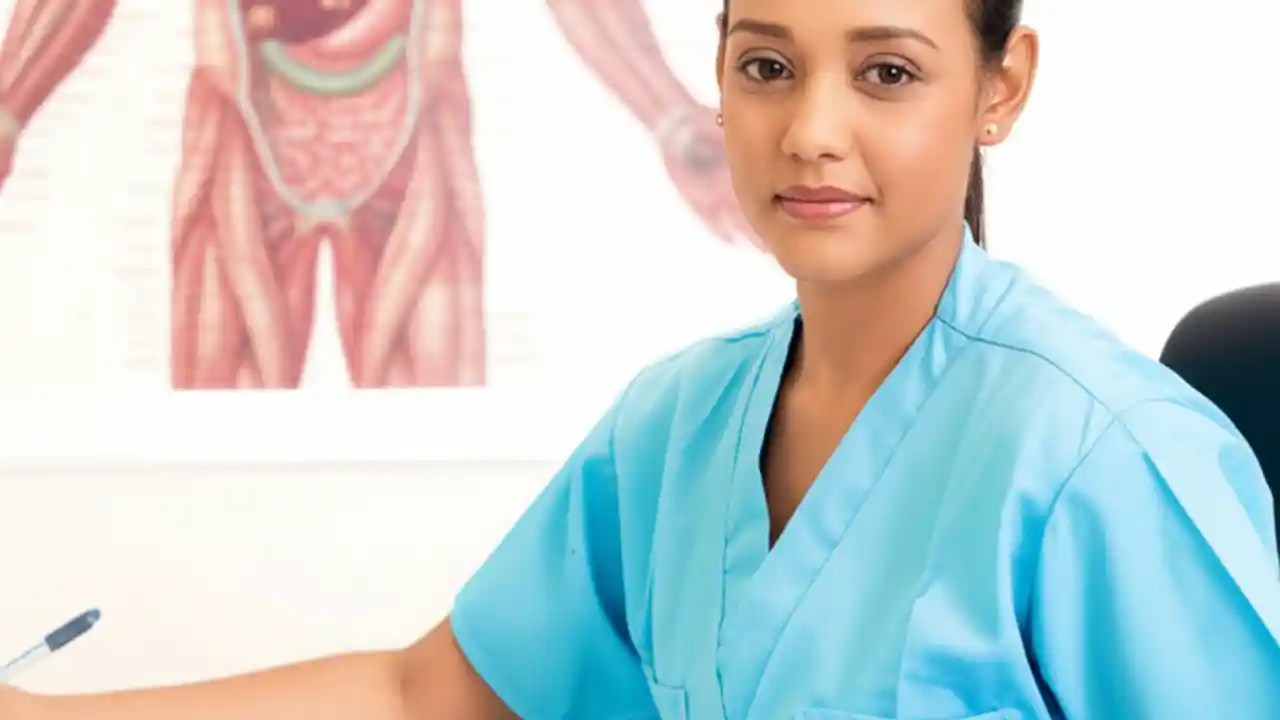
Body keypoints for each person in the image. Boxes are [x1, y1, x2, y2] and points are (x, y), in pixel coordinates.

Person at [4, 0, 1279, 716]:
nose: (810, 132)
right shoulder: (680, 423)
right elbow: (427, 693)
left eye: (886, 72)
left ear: (999, 89)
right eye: (766, 67)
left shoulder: (1101, 454)